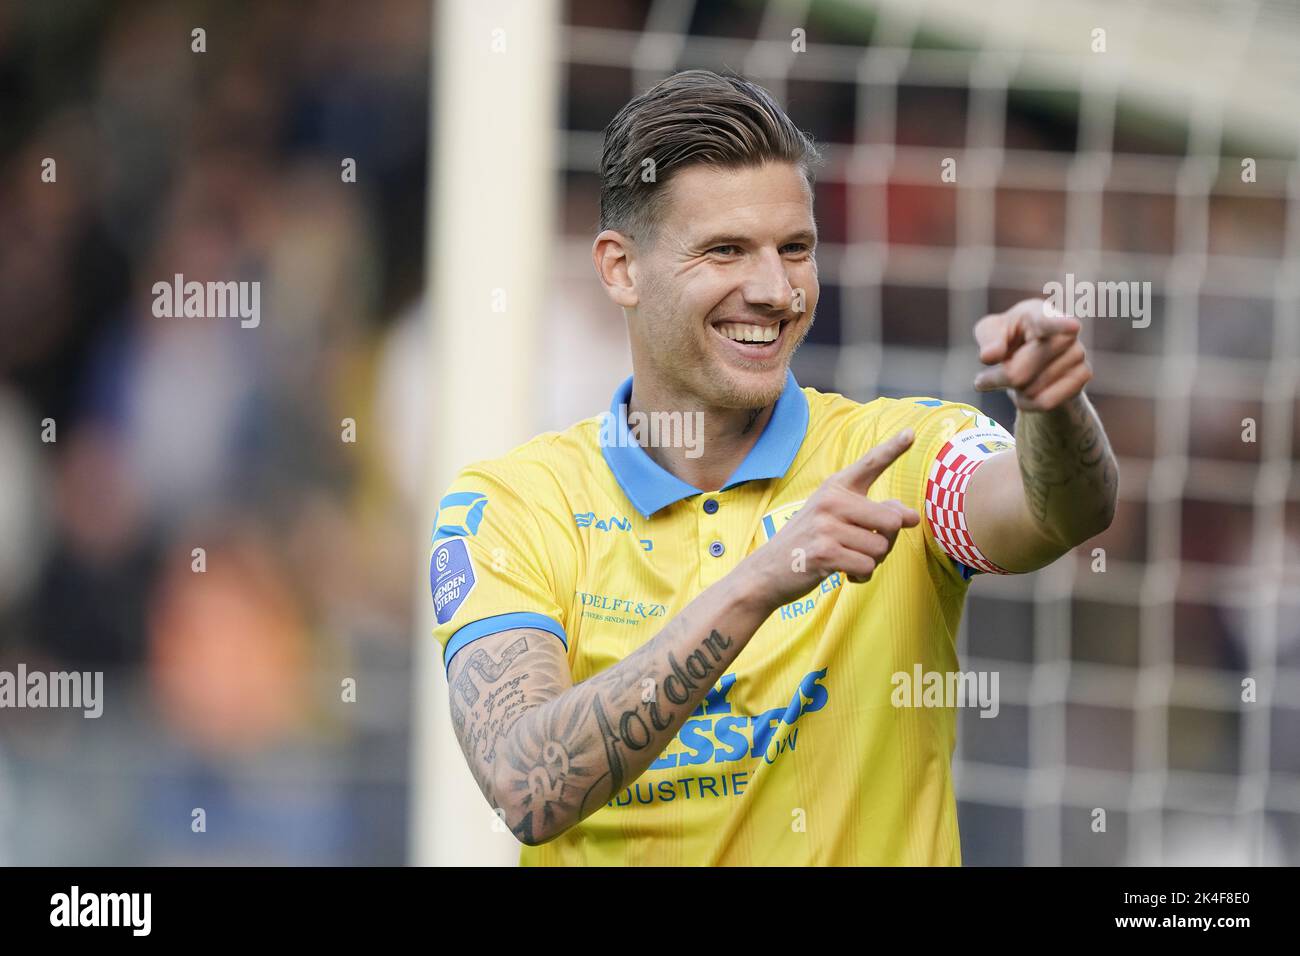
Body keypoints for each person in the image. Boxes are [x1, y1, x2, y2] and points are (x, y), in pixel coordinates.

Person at [429, 70, 1118, 865]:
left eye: (795, 249)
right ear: (621, 269)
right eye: (725, 251)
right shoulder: (513, 506)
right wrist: (761, 580)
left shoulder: (897, 455)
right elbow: (526, 785)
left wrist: (1053, 410)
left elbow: (1055, 512)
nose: (775, 290)